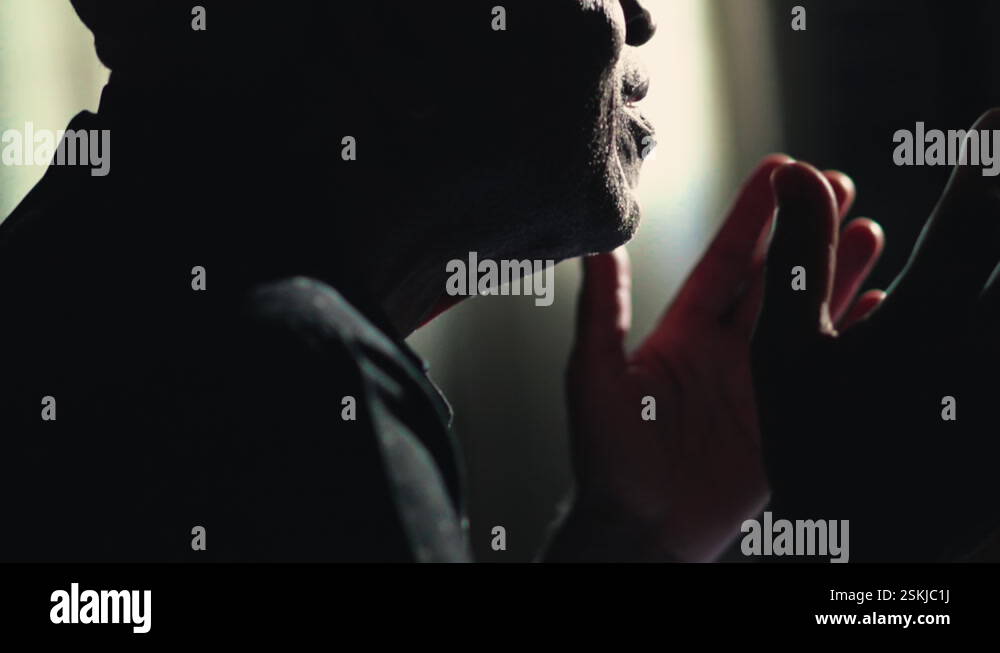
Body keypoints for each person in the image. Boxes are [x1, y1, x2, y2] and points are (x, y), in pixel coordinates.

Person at [2, 0, 977, 563]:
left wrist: (632, 536)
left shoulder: (95, 286)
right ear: (389, 34)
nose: (642, 16)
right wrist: (886, 548)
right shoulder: (282, 376)